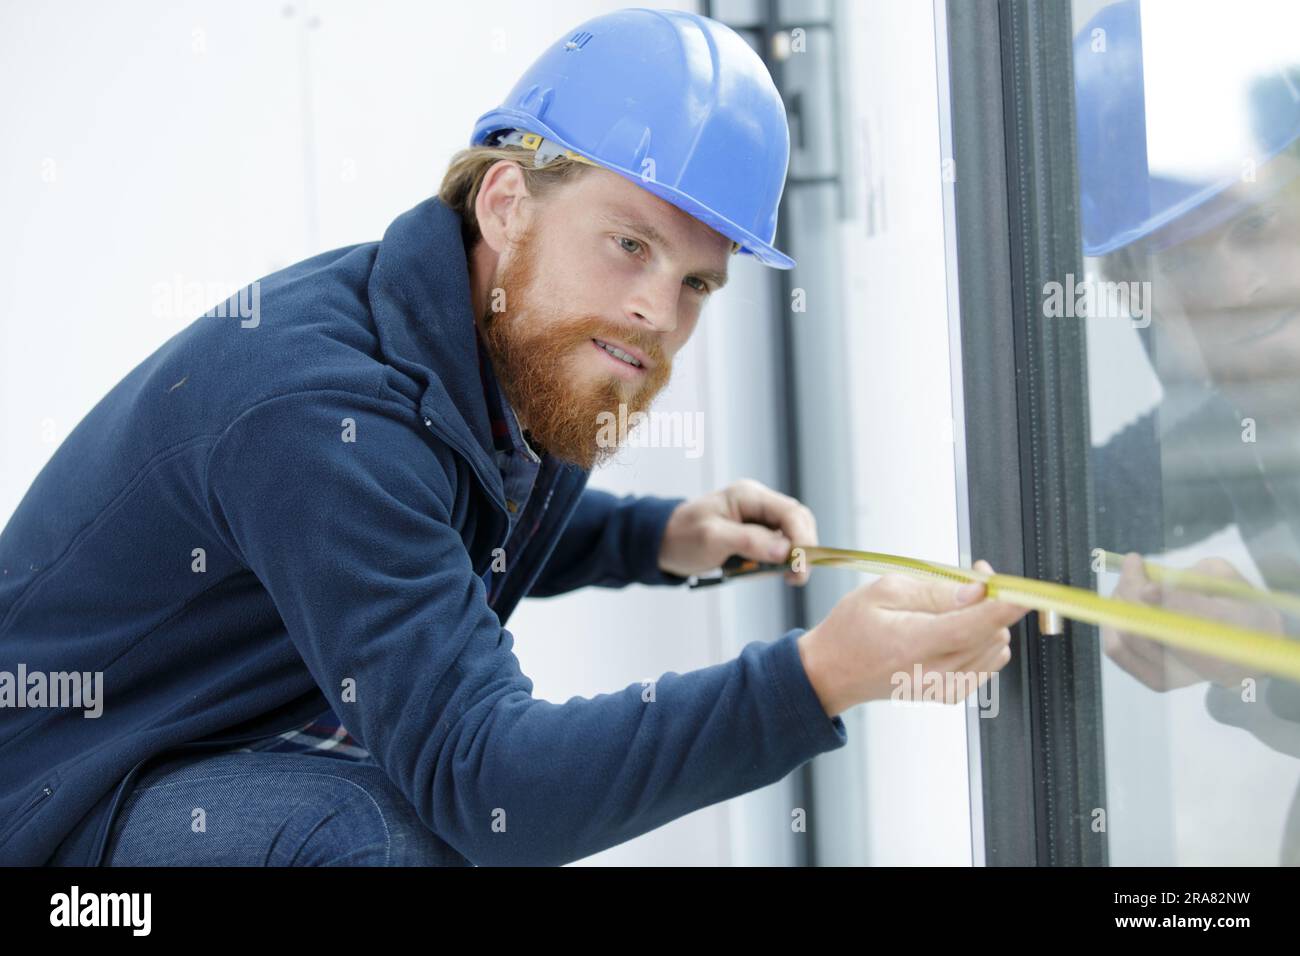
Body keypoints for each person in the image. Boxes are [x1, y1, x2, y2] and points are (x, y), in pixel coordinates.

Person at [1, 8, 1025, 867]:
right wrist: (815, 677)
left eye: (695, 283)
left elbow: (426, 530)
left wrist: (655, 536)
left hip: (213, 740)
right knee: (385, 837)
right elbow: (489, 781)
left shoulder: (511, 348)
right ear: (505, 201)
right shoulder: (319, 412)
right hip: (60, 799)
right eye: (629, 244)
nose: (657, 314)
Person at [1077, 0, 1300, 861]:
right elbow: (1064, 503)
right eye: (1182, 259)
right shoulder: (1243, 421)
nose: (1235, 287)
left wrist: (1264, 648)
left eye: (1253, 227)